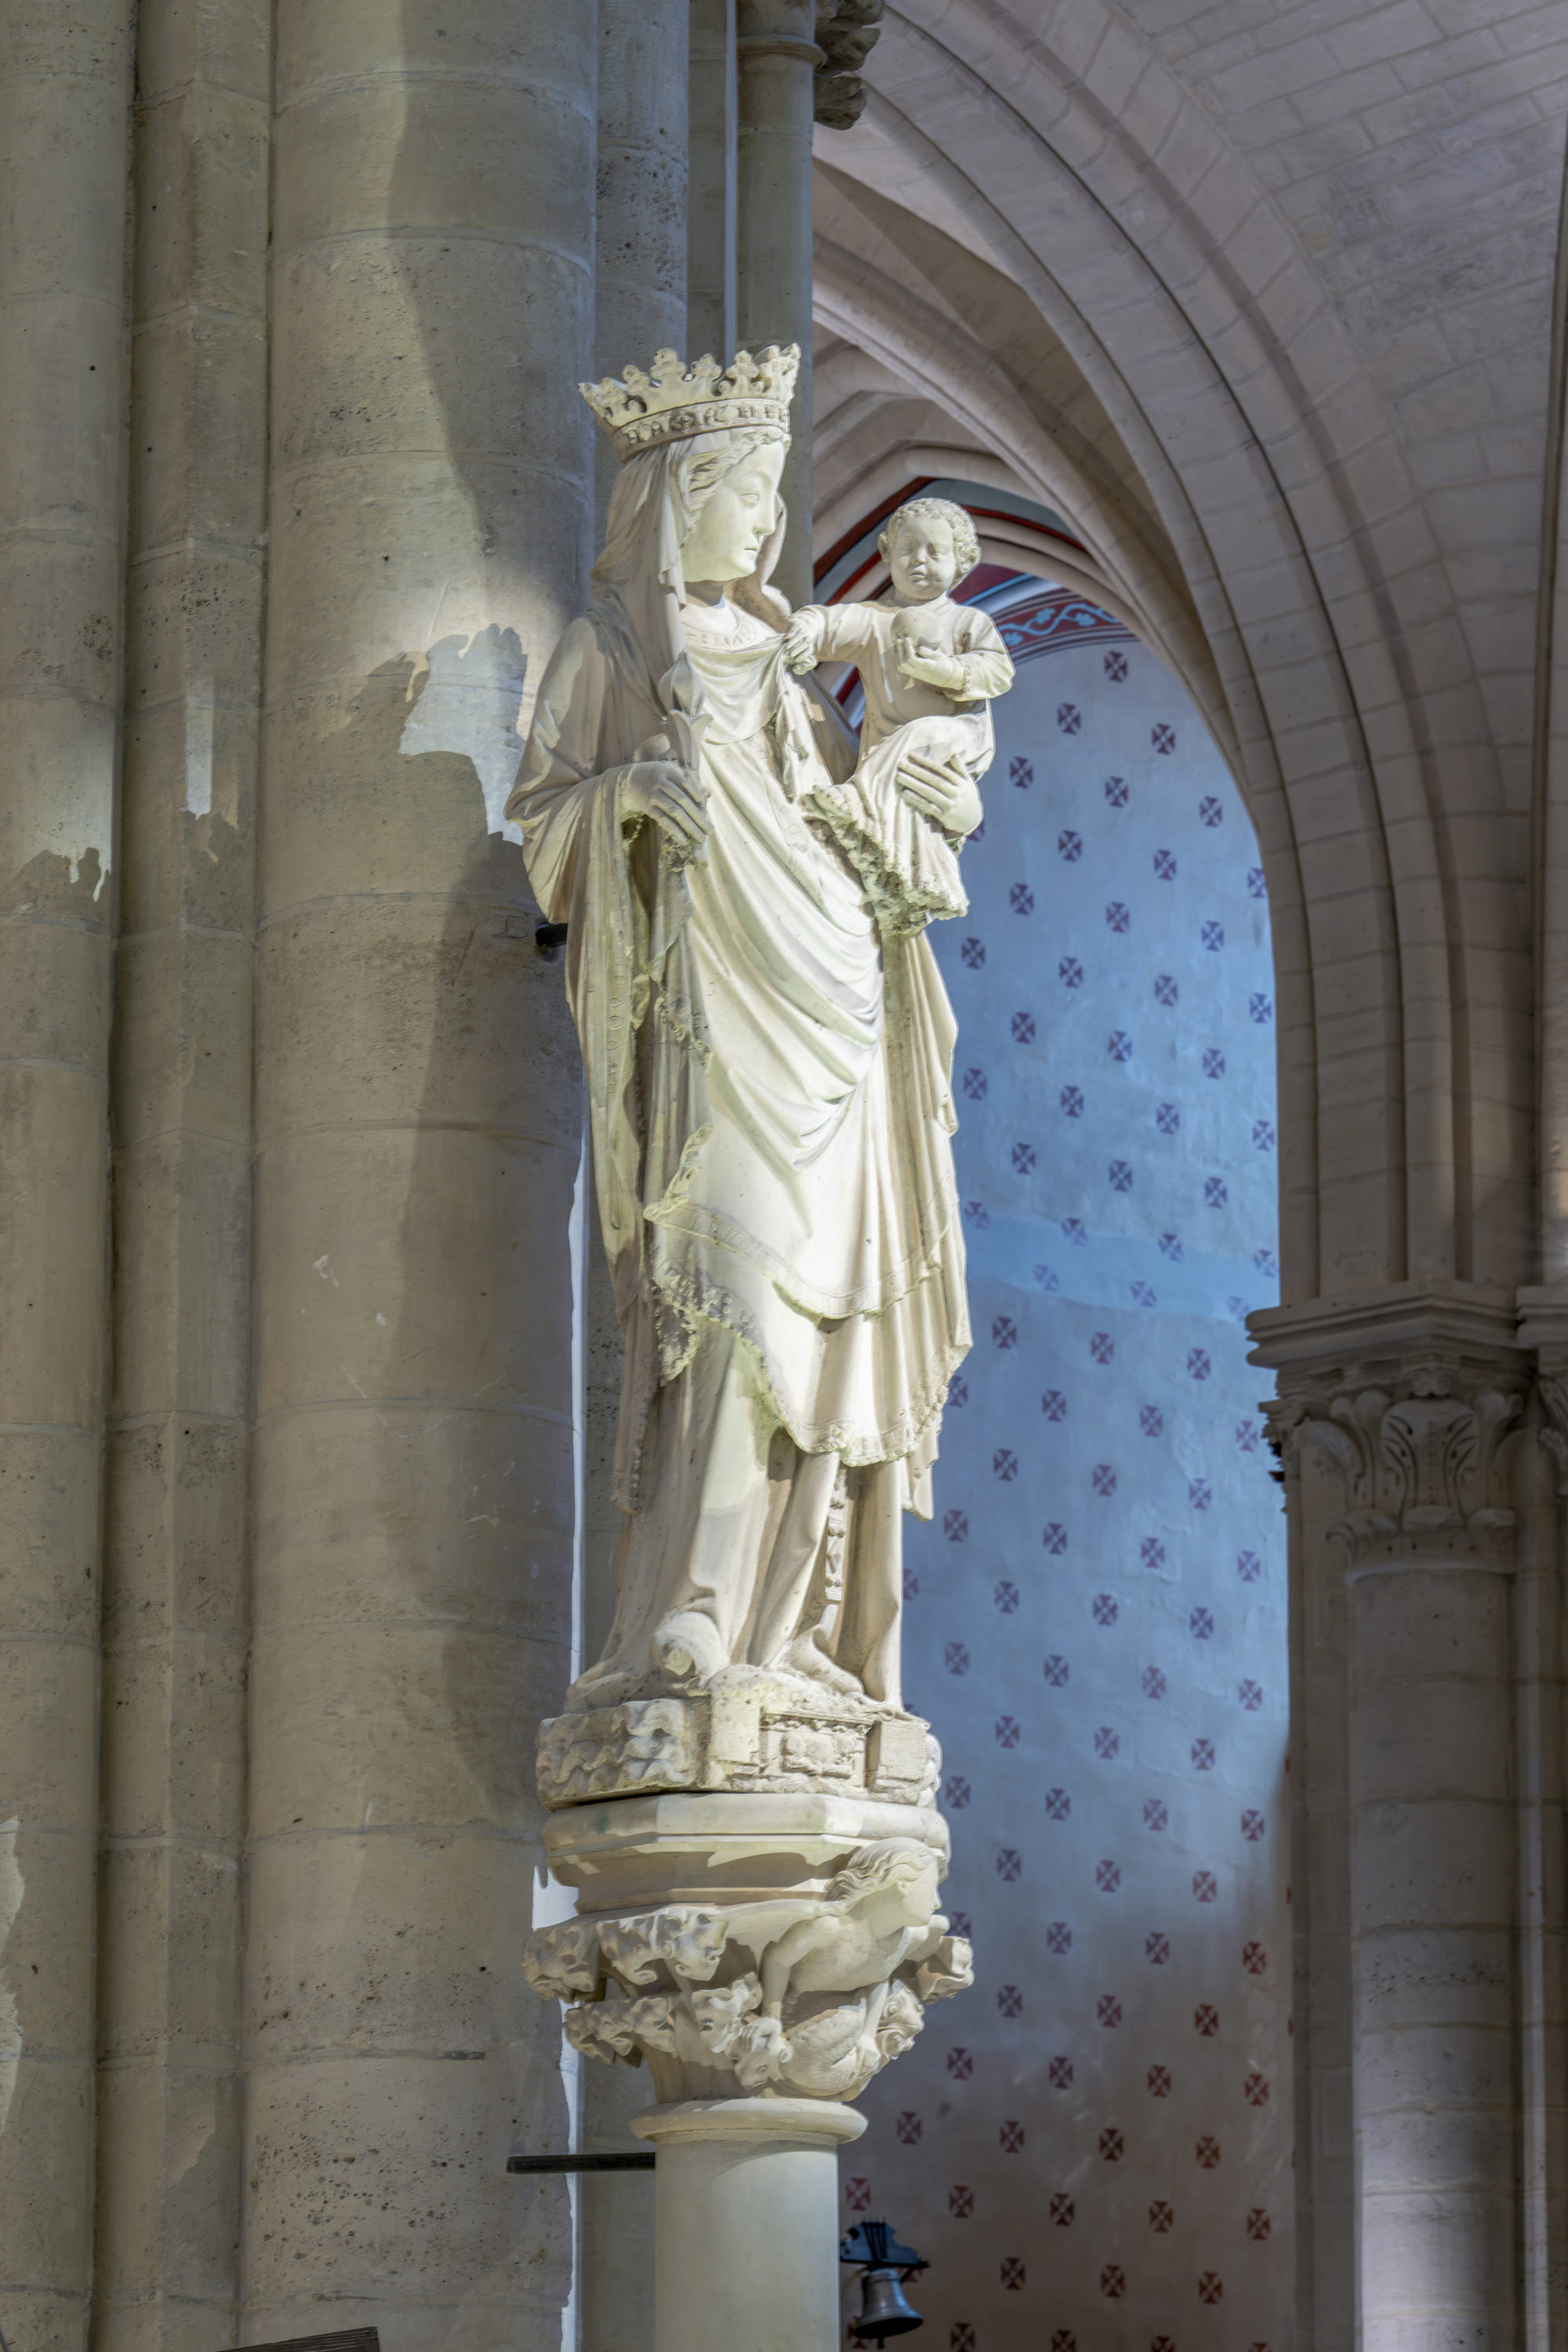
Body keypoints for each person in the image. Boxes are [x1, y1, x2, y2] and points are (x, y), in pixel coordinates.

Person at [506, 349, 972, 1716]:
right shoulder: (616, 655)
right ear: (668, 498)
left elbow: (878, 833)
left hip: (832, 1019)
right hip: (715, 1033)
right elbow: (548, 822)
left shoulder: (785, 673)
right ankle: (696, 1609)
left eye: (773, 495)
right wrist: (632, 790)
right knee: (727, 1295)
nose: (764, 522)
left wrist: (918, 790)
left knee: (830, 1334)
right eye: (739, 490)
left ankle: (802, 1638)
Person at [782, 497, 1013, 935]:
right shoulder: (876, 622)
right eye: (907, 550)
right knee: (904, 800)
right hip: (886, 760)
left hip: (958, 740)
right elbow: (829, 623)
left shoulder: (968, 622)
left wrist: (944, 671)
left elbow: (998, 672)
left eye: (934, 552)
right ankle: (908, 874)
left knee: (923, 733)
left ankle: (860, 806)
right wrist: (804, 630)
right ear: (886, 552)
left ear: (964, 562)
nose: (919, 561)